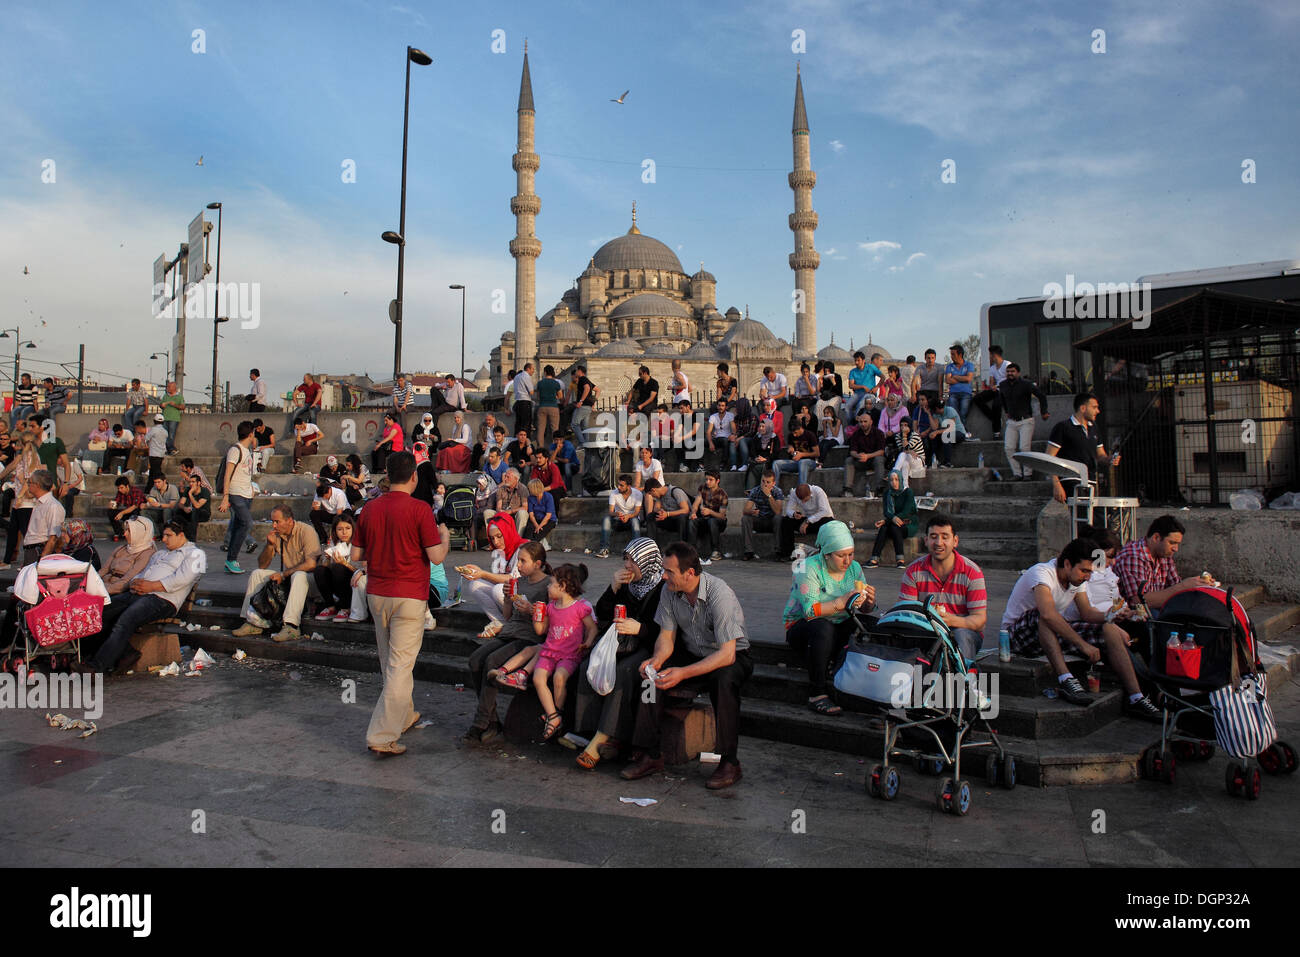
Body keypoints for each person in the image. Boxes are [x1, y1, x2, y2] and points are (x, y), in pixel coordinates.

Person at [621, 542, 753, 790]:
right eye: (663, 570)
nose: (664, 576)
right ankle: (649, 752)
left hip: (731, 657)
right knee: (650, 679)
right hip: (693, 655)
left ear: (689, 573)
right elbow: (666, 637)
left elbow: (727, 655)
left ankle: (729, 761)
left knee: (724, 681)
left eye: (669, 572)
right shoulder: (669, 591)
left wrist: (683, 673)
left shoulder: (718, 594)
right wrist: (657, 660)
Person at [349, 451, 450, 755]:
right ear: (414, 477)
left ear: (388, 475)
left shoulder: (369, 508)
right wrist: (444, 537)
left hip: (378, 593)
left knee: (390, 662)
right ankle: (381, 735)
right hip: (409, 596)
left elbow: (356, 557)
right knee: (400, 666)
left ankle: (404, 714)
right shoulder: (420, 510)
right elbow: (435, 557)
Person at [1002, 538, 1160, 718]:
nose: (1087, 576)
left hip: (1047, 634)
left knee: (1108, 628)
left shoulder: (1078, 580)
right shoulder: (1042, 573)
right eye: (1084, 571)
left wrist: (1112, 617)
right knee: (1046, 614)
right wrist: (1082, 645)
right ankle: (1065, 679)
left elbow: (1087, 613)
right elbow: (1047, 614)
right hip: (1016, 638)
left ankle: (1136, 697)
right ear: (1067, 564)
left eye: (1090, 572)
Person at [570, 538, 665, 769]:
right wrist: (612, 587)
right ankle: (586, 729)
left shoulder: (662, 587)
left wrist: (640, 628)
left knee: (623, 671)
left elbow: (666, 629)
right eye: (627, 559)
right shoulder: (626, 584)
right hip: (620, 643)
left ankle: (605, 736)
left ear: (647, 561)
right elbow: (602, 613)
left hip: (649, 646)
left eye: (633, 560)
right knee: (588, 666)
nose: (627, 565)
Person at [74, 521, 205, 675]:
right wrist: (135, 583)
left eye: (168, 535)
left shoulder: (195, 554)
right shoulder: (161, 554)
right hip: (139, 594)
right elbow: (143, 573)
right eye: (163, 535)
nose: (163, 539)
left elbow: (182, 579)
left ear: (181, 535)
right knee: (98, 613)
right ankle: (124, 654)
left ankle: (96, 667)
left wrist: (152, 586)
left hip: (163, 600)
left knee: (125, 619)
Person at [488, 563, 597, 742]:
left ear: (562, 587)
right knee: (539, 678)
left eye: (551, 584)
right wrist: (537, 615)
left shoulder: (580, 608)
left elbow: (592, 628)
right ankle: (553, 716)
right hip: (549, 651)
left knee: (559, 677)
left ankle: (557, 713)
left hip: (569, 654)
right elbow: (541, 630)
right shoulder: (551, 607)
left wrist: (587, 642)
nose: (547, 587)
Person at [462, 540, 554, 745]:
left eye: (523, 561)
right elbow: (508, 615)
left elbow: (553, 620)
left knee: (491, 662)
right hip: (510, 632)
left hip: (529, 638)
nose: (518, 566)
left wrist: (532, 611)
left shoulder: (549, 585)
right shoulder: (519, 582)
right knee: (475, 660)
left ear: (537, 563)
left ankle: (480, 723)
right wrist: (507, 599)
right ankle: (492, 721)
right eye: (518, 561)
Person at [784, 521, 875, 715]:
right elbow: (810, 611)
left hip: (839, 622)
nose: (847, 561)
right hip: (804, 626)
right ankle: (817, 693)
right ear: (826, 554)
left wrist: (868, 603)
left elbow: (862, 609)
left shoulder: (855, 568)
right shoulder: (807, 568)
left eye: (850, 554)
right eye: (841, 555)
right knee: (822, 628)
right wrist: (840, 602)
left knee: (872, 625)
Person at [898, 513, 987, 668]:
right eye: (933, 536)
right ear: (926, 541)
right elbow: (907, 613)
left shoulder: (972, 572)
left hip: (963, 631)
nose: (939, 542)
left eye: (945, 537)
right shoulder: (913, 571)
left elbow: (979, 621)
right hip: (927, 630)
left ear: (955, 541)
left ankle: (963, 685)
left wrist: (951, 621)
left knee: (961, 635)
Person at [232, 504, 322, 643]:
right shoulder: (277, 536)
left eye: (277, 522)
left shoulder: (306, 531)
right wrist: (269, 545)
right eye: (272, 522)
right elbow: (262, 564)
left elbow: (311, 564)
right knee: (257, 573)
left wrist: (284, 574)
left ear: (290, 521)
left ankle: (291, 626)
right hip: (289, 578)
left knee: (299, 576)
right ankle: (252, 621)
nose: (274, 526)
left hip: (311, 581)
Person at [1113, 514, 1203, 612]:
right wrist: (1183, 586)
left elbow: (1175, 585)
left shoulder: (1164, 554)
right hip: (1132, 614)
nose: (1176, 549)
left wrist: (1199, 585)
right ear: (1156, 537)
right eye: (1172, 543)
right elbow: (1139, 601)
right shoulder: (1133, 557)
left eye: (1177, 544)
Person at [460, 514, 527, 639]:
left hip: (526, 598)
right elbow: (496, 577)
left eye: (499, 536)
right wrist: (478, 573)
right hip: (508, 596)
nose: (496, 542)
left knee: (499, 589)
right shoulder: (500, 552)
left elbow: (513, 579)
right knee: (475, 585)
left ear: (508, 532)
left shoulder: (523, 548)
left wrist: (483, 574)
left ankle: (510, 623)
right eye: (492, 538)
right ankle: (500, 621)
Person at [1046, 392, 1119, 505]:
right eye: (1094, 407)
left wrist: (1110, 459)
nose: (1098, 411)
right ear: (1083, 408)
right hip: (1071, 480)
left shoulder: (1094, 428)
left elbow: (1100, 455)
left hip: (1090, 481)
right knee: (1081, 514)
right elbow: (1049, 457)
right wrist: (1056, 484)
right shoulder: (1063, 427)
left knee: (1093, 517)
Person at [997, 362, 1050, 480]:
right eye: (1008, 372)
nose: (1010, 374)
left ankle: (1027, 474)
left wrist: (1044, 411)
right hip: (1011, 421)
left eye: (1012, 371)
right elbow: (1002, 399)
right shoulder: (1003, 385)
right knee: (1009, 448)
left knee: (1024, 448)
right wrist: (1006, 411)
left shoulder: (1026, 384)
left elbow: (1041, 395)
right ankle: (1017, 473)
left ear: (1018, 373)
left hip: (1026, 420)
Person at [218, 420, 258, 575]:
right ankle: (232, 559)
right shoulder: (236, 450)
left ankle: (230, 560)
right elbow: (228, 474)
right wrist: (225, 496)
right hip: (235, 494)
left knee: (237, 526)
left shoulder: (248, 451)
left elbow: (245, 474)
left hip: (246, 493)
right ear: (250, 434)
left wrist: (251, 488)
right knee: (247, 523)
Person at [0, 434, 40, 568]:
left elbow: (28, 480)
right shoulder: (21, 457)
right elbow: (10, 467)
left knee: (26, 534)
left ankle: (30, 562)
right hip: (20, 501)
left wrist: (20, 498)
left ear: (21, 444)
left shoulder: (30, 457)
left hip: (26, 502)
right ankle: (6, 561)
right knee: (12, 532)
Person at [312, 513, 361, 622]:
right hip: (337, 584)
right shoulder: (334, 544)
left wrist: (345, 564)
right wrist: (327, 558)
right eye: (340, 529)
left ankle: (346, 608)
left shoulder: (358, 545)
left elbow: (362, 570)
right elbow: (325, 568)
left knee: (338, 568)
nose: (344, 532)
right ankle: (331, 607)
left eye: (347, 528)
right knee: (319, 570)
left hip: (353, 582)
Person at [868, 469, 917, 567]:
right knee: (884, 528)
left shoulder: (908, 492)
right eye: (891, 480)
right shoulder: (887, 493)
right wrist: (891, 519)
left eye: (896, 479)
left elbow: (906, 512)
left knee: (894, 527)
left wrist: (889, 520)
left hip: (908, 523)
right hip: (893, 523)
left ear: (900, 480)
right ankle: (874, 559)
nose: (894, 482)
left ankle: (900, 560)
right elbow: (886, 512)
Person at [776, 482, 834, 560]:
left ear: (810, 494)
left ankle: (824, 553)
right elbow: (789, 510)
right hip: (807, 520)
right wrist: (794, 514)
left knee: (827, 523)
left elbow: (825, 511)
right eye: (801, 500)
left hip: (821, 519)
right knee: (786, 520)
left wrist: (808, 521)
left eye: (805, 500)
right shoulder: (794, 493)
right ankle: (787, 553)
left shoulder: (818, 491)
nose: (803, 502)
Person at [99, 516, 156, 595]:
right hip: (102, 585)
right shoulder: (121, 548)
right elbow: (103, 571)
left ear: (139, 533)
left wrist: (101, 591)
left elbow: (126, 581)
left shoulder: (146, 554)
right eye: (125, 530)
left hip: (116, 592)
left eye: (129, 531)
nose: (124, 534)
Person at [22, 470, 65, 566]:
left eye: (30, 482)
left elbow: (53, 537)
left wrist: (42, 560)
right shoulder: (39, 503)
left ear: (37, 485)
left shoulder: (53, 506)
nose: (28, 485)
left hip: (39, 550)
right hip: (31, 551)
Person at [740, 470, 785, 561]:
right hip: (760, 520)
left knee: (779, 518)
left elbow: (778, 511)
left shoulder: (777, 492)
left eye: (768, 482)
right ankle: (748, 551)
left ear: (773, 483)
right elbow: (745, 510)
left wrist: (769, 495)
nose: (764, 484)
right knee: (745, 518)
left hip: (772, 521)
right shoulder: (755, 491)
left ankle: (778, 551)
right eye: (763, 481)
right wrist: (752, 512)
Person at [842, 408, 886, 498]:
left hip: (873, 458)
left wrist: (868, 456)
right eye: (861, 422)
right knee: (849, 460)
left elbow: (881, 451)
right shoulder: (856, 434)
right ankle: (847, 489)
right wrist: (858, 455)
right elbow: (852, 451)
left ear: (871, 422)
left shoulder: (879, 433)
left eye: (865, 421)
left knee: (879, 459)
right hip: (861, 460)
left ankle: (880, 488)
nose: (863, 424)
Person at [597, 474, 642, 558]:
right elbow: (611, 511)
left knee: (635, 521)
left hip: (631, 520)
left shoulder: (638, 494)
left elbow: (636, 512)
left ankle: (636, 550)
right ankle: (604, 549)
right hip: (618, 520)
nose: (618, 487)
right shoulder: (614, 493)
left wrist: (628, 516)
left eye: (621, 485)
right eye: (618, 484)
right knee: (606, 519)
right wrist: (616, 514)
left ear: (628, 486)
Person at [689, 468, 729, 563]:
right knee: (692, 521)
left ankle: (716, 551)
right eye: (706, 479)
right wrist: (693, 513)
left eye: (711, 480)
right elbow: (696, 503)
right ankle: (691, 550)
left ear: (717, 481)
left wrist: (710, 512)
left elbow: (722, 516)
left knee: (713, 521)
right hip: (705, 519)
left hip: (718, 522)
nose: (708, 482)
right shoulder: (703, 488)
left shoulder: (723, 494)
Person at [971, 345, 1007, 436]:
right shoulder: (992, 368)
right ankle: (994, 418)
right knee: (977, 399)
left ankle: (996, 432)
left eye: (990, 355)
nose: (990, 357)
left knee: (996, 405)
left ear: (994, 355)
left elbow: (1010, 380)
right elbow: (991, 381)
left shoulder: (1007, 365)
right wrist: (992, 386)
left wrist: (997, 386)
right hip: (996, 390)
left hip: (1005, 390)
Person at [482, 467, 529, 536]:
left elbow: (525, 507)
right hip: (503, 513)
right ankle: (493, 539)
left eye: (508, 477)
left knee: (523, 513)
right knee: (488, 512)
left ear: (516, 479)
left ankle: (518, 539)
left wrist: (511, 511)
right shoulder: (501, 489)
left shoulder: (523, 489)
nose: (505, 479)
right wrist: (502, 512)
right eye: (505, 476)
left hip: (515, 514)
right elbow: (498, 507)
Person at [642, 477, 691, 543]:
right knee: (650, 516)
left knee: (682, 517)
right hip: (670, 521)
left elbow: (686, 510)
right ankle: (653, 546)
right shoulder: (660, 496)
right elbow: (656, 509)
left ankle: (682, 546)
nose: (653, 497)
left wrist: (667, 514)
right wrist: (661, 512)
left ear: (653, 490)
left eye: (651, 494)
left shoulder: (676, 491)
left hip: (683, 523)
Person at [774, 420, 819, 485]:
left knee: (802, 462)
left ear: (800, 428)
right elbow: (790, 446)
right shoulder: (791, 436)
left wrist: (801, 455)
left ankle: (801, 490)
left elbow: (817, 453)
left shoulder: (810, 435)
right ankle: (775, 489)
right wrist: (790, 449)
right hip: (795, 462)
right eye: (793, 433)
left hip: (809, 462)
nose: (794, 435)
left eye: (795, 432)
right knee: (776, 463)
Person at [885, 416, 927, 486]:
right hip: (907, 459)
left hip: (918, 460)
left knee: (903, 455)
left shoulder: (915, 435)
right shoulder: (898, 436)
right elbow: (902, 449)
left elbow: (906, 448)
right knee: (904, 463)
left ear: (910, 426)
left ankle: (894, 472)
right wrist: (908, 451)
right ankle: (905, 487)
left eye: (905, 425)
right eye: (901, 425)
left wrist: (904, 435)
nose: (903, 427)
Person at [172, 471, 211, 541]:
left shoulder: (205, 491)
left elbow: (197, 506)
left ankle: (192, 538)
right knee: (178, 511)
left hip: (203, 513)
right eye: (190, 482)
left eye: (193, 482)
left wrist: (190, 494)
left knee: (195, 511)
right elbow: (181, 503)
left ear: (198, 483)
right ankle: (175, 535)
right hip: (190, 512)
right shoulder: (187, 489)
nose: (190, 484)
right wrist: (184, 508)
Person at [928, 404, 971, 468]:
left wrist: (937, 432)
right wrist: (928, 414)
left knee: (946, 436)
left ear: (936, 408)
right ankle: (935, 461)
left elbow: (951, 428)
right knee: (933, 436)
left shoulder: (950, 410)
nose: (933, 412)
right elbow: (935, 428)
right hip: (944, 433)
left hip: (959, 432)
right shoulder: (936, 414)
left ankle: (947, 463)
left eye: (933, 410)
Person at [105, 475, 147, 540]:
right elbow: (117, 502)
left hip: (137, 512)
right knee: (111, 512)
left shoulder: (136, 491)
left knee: (134, 513)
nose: (120, 490)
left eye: (121, 488)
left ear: (127, 486)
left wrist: (122, 513)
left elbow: (134, 506)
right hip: (127, 511)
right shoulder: (120, 492)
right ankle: (119, 533)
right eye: (118, 488)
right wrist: (112, 505)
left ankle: (134, 533)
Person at [745, 415, 783, 485]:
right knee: (752, 466)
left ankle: (762, 488)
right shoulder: (757, 437)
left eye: (763, 426)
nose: (761, 428)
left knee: (762, 467)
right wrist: (756, 458)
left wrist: (765, 459)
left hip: (769, 461)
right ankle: (751, 490)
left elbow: (776, 453)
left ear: (768, 427)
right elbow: (752, 450)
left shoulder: (774, 438)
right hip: (758, 460)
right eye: (760, 426)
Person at [943, 343, 976, 422]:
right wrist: (962, 378)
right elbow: (948, 380)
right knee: (954, 414)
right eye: (951, 354)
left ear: (960, 354)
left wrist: (955, 376)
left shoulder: (969, 365)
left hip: (966, 393)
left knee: (963, 414)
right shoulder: (949, 366)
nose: (951, 357)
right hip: (953, 394)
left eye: (953, 354)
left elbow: (968, 379)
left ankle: (962, 432)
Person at [311, 478, 350, 543]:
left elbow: (339, 513)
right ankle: (323, 537)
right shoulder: (319, 493)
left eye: (325, 496)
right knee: (313, 514)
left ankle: (339, 537)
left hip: (342, 512)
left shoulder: (339, 494)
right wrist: (314, 507)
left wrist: (332, 533)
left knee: (344, 515)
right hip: (329, 513)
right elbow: (316, 509)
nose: (323, 498)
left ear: (329, 490)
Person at [846, 351, 883, 421]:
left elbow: (883, 377)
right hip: (858, 393)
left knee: (860, 405)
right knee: (847, 406)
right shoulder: (853, 371)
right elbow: (851, 385)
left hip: (870, 394)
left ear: (863, 360)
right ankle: (851, 424)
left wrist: (877, 387)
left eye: (858, 360)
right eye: (855, 360)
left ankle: (858, 424)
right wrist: (863, 387)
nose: (856, 362)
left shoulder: (871, 367)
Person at [534, 364, 563, 452]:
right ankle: (555, 449)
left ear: (545, 372)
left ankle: (540, 449)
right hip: (553, 407)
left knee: (541, 429)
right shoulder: (556, 383)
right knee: (554, 429)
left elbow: (538, 396)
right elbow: (560, 396)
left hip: (542, 407)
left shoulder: (540, 383)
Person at [706, 398, 738, 470]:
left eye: (723, 406)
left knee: (725, 441)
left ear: (726, 407)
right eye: (719, 405)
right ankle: (700, 465)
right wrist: (710, 443)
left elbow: (733, 428)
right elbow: (708, 431)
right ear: (717, 406)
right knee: (702, 442)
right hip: (717, 438)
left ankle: (723, 463)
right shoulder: (713, 416)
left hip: (726, 439)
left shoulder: (730, 415)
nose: (720, 407)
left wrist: (733, 434)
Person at [524, 478, 557, 545]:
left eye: (530, 488)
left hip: (548, 520)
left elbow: (548, 515)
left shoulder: (548, 496)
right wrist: (536, 525)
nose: (529, 490)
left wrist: (539, 526)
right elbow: (531, 514)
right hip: (536, 519)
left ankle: (533, 546)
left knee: (538, 533)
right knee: (529, 530)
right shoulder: (530, 497)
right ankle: (526, 544)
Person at [569, 365, 598, 441]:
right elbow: (598, 390)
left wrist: (581, 401)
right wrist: (593, 403)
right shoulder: (587, 380)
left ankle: (582, 443)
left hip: (583, 406)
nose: (575, 372)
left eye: (576, 371)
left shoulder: (582, 379)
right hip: (588, 407)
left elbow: (587, 388)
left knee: (574, 424)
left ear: (579, 371)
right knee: (585, 427)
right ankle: (587, 445)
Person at [159, 380, 184, 453]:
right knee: (165, 434)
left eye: (169, 387)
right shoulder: (165, 396)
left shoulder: (179, 396)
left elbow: (182, 407)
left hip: (174, 418)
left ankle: (171, 449)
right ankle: (170, 449)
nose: (167, 388)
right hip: (165, 417)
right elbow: (161, 405)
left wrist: (174, 405)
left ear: (174, 388)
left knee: (171, 435)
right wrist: (162, 405)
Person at [914, 348, 942, 412]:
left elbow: (940, 382)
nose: (930, 360)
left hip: (934, 391)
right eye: (928, 358)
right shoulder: (920, 367)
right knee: (912, 402)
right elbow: (914, 382)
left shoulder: (939, 367)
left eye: (932, 358)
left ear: (935, 358)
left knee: (932, 402)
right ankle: (914, 420)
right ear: (925, 358)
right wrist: (913, 395)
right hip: (923, 390)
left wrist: (941, 396)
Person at [512, 362, 536, 438]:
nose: (533, 371)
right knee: (526, 425)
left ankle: (516, 440)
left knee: (518, 425)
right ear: (528, 369)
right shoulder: (526, 376)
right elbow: (531, 392)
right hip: (525, 402)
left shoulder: (517, 376)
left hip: (518, 402)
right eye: (532, 369)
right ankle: (526, 442)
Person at [143, 413, 168, 478]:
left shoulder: (153, 430)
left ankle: (156, 484)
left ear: (154, 421)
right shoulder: (165, 431)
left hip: (153, 454)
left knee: (155, 472)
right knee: (156, 470)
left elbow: (146, 438)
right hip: (161, 454)